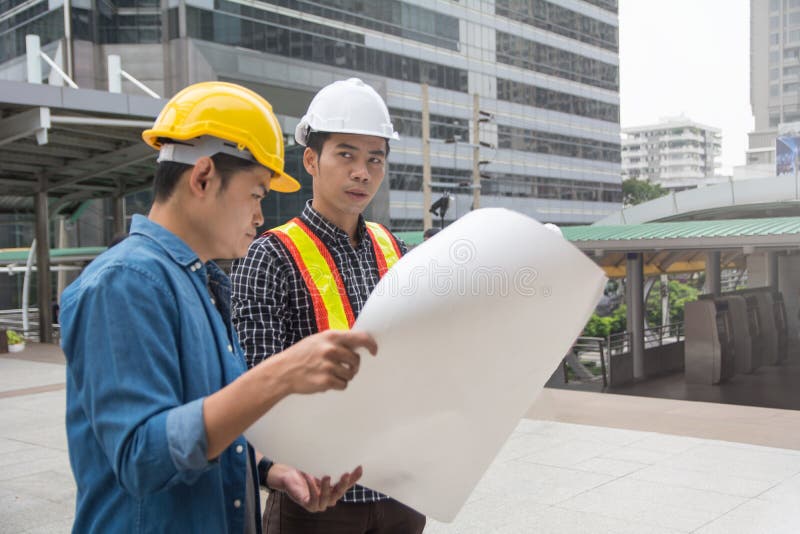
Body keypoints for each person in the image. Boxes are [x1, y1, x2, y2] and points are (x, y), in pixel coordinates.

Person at [60, 81, 375, 534]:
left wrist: (269, 469)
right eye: (257, 194)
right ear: (203, 177)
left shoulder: (202, 284)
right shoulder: (126, 282)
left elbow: (206, 424)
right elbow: (141, 458)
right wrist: (283, 372)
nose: (259, 215)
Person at [231, 78, 426, 533]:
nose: (362, 171)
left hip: (399, 489)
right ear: (311, 160)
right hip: (317, 500)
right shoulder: (271, 255)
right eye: (346, 154)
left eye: (375, 158)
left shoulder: (392, 247)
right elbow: (254, 381)